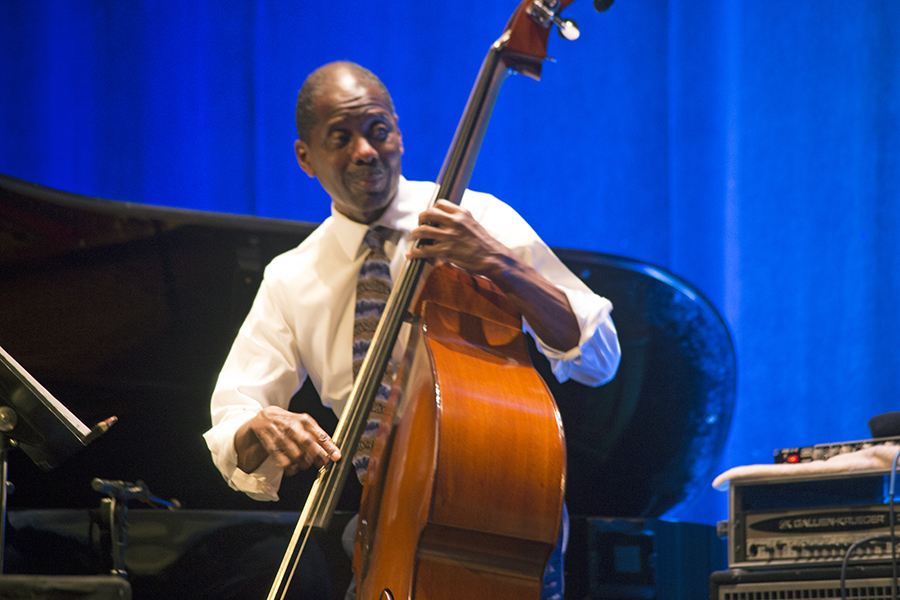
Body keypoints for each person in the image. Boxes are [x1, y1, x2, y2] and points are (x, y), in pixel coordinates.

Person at [204, 61, 621, 600]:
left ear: (398, 131)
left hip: (499, 525)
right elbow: (233, 415)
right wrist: (260, 427)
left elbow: (598, 355)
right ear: (305, 158)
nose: (365, 150)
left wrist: (500, 264)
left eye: (377, 130)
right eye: (341, 138)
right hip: (384, 536)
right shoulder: (291, 276)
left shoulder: (476, 217)